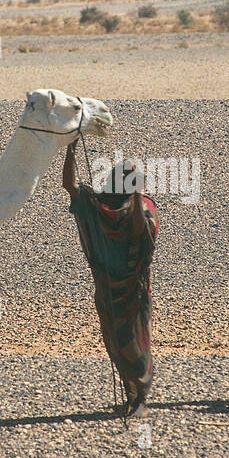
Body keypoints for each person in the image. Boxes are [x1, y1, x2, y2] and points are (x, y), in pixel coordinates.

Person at [62, 142, 159, 417]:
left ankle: (141, 399)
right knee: (116, 344)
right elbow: (70, 186)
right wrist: (70, 150)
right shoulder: (98, 207)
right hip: (108, 291)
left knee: (137, 343)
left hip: (133, 293)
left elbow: (141, 231)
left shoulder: (144, 208)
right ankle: (130, 396)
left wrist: (137, 197)